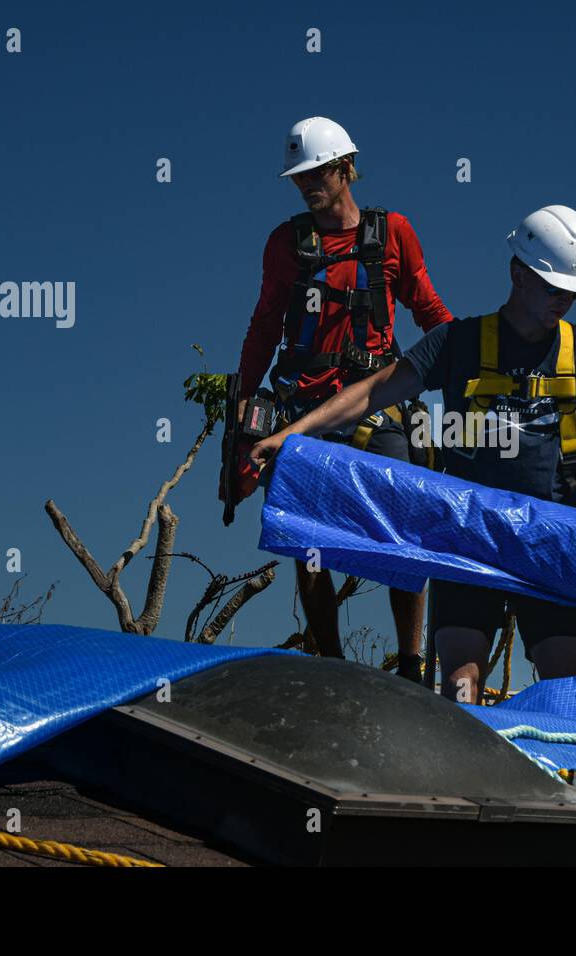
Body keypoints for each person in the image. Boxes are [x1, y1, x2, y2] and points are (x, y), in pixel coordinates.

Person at [249, 205, 576, 702]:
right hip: (470, 537)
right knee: (460, 693)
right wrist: (293, 434)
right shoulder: (457, 343)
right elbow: (371, 394)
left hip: (554, 541)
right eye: (553, 289)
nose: (563, 302)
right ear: (517, 274)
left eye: (572, 293)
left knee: (568, 699)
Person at [237, 116, 453, 680]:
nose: (308, 184)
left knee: (402, 529)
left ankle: (411, 664)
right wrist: (243, 400)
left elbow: (428, 309)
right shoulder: (286, 244)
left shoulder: (392, 233)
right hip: (301, 410)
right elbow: (264, 325)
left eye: (318, 172)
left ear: (345, 168)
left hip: (377, 403)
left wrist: (470, 369)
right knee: (308, 539)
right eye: (299, 176)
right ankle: (329, 665)